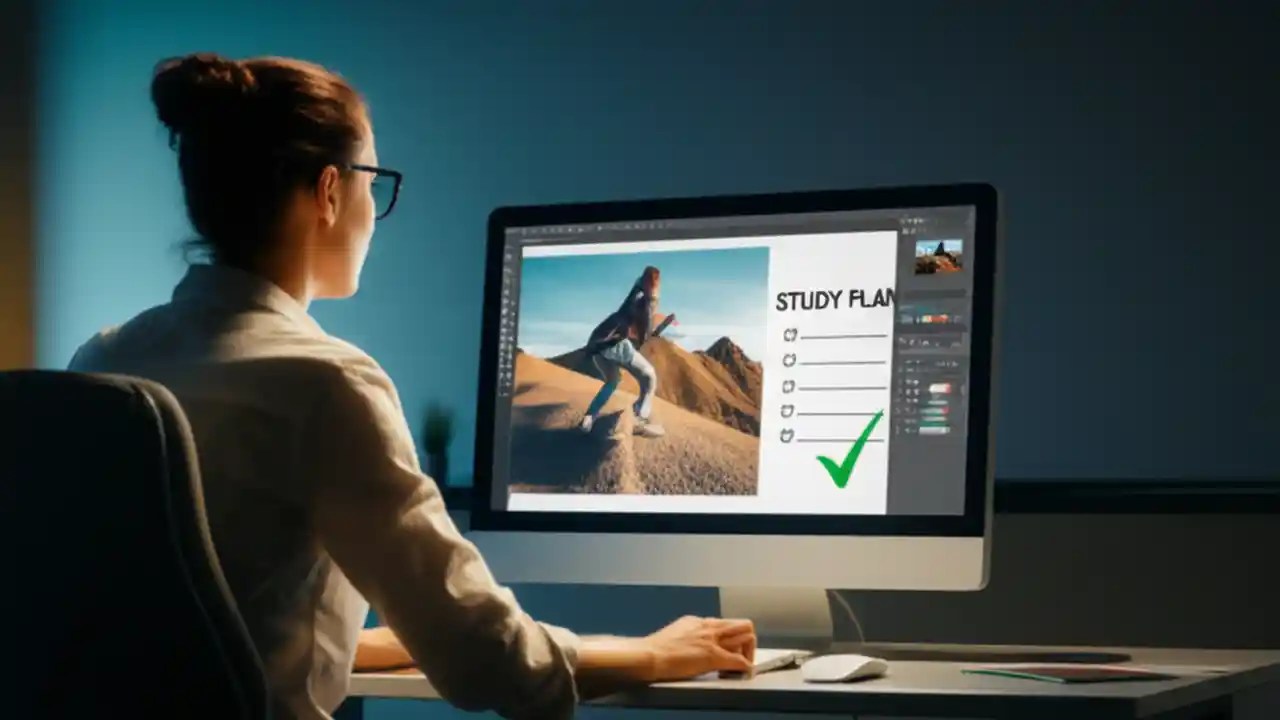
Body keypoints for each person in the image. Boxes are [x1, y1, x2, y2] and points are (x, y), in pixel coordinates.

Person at [66, 52, 755, 720]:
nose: (374, 210)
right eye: (374, 181)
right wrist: (653, 653)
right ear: (331, 192)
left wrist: (379, 642)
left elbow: (191, 626)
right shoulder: (326, 383)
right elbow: (487, 658)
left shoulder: (102, 360)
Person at [579, 266, 666, 438]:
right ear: (654, 285)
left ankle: (589, 417)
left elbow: (629, 320)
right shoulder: (648, 301)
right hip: (615, 345)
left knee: (612, 381)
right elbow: (643, 336)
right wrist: (656, 326)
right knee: (649, 377)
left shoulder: (635, 292)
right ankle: (638, 418)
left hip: (596, 344)